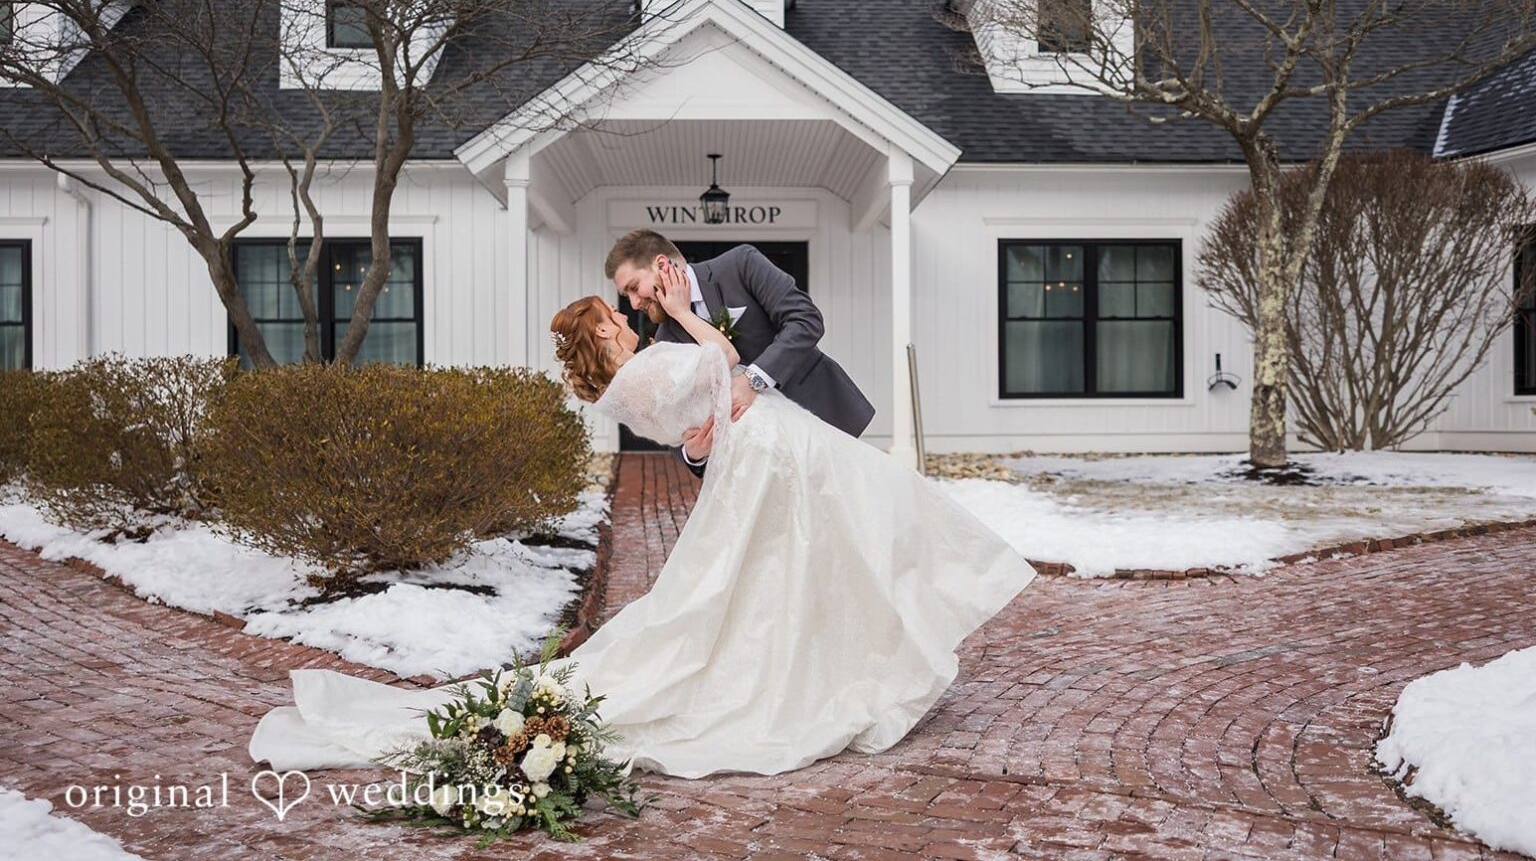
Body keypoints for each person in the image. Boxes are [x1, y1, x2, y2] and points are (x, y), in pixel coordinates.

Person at [247, 264, 1037, 780]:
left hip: (767, 454)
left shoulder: (624, 386)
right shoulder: (645, 367)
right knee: (828, 551)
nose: (628, 312)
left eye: (627, 304)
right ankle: (850, 666)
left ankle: (855, 660)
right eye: (616, 311)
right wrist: (682, 312)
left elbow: (700, 415)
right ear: (601, 331)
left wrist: (694, 398)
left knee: (816, 558)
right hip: (769, 456)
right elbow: (724, 363)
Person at [605, 229, 874, 478]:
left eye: (633, 287)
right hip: (757, 465)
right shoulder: (666, 340)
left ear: (663, 265)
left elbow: (805, 321)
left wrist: (752, 380)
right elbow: (675, 422)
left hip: (821, 421)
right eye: (627, 296)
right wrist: (693, 454)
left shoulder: (740, 265)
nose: (634, 303)